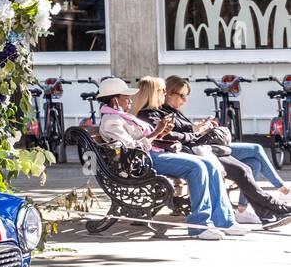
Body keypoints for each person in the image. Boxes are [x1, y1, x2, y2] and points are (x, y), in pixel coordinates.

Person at [134, 76, 291, 228]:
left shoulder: (167, 111)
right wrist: (197, 132)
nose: (183, 100)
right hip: (194, 151)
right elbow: (171, 136)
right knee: (244, 168)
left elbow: (179, 132)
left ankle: (267, 214)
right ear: (155, 93)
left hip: (202, 148)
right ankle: (275, 208)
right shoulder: (150, 113)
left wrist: (200, 128)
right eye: (163, 91)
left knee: (251, 164)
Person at [95, 77, 240, 240]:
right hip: (142, 161)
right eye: (126, 97)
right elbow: (132, 149)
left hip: (152, 154)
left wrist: (161, 131)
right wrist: (157, 132)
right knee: (197, 167)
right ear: (115, 100)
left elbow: (143, 139)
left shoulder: (120, 117)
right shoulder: (112, 121)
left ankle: (225, 220)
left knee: (208, 164)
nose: (130, 100)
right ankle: (199, 226)